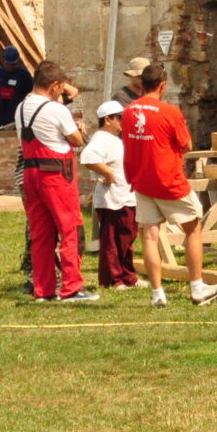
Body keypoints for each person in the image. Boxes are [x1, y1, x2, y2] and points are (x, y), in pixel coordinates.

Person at [122, 64, 217, 308]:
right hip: (168, 180)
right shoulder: (169, 111)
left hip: (141, 180)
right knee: (193, 228)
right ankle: (197, 288)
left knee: (149, 234)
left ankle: (158, 293)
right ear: (162, 85)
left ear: (141, 84)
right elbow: (187, 145)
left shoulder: (128, 111)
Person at [17, 61, 95, 302]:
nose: (62, 91)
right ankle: (71, 287)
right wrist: (80, 130)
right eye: (60, 87)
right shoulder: (55, 110)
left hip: (30, 173)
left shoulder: (21, 107)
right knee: (69, 227)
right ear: (53, 86)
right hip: (56, 173)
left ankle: (44, 289)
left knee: (41, 233)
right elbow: (76, 140)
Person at [80, 100, 143, 291]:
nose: (123, 122)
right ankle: (113, 279)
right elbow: (88, 158)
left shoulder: (114, 139)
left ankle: (128, 276)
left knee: (127, 238)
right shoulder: (101, 138)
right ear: (108, 119)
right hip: (112, 200)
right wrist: (108, 174)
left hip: (125, 196)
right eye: (120, 118)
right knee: (112, 241)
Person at [0, 47, 33, 130]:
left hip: (17, 115)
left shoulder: (24, 75)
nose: (11, 66)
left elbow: (30, 95)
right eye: (8, 64)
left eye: (13, 64)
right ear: (3, 61)